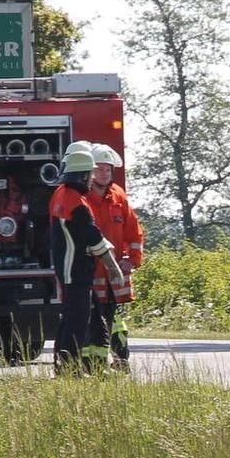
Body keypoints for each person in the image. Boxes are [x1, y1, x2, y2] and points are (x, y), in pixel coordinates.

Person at [48, 147, 125, 374]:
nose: (92, 178)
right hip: (77, 270)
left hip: (68, 268)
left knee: (70, 317)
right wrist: (112, 266)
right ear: (82, 175)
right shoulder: (77, 202)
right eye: (90, 174)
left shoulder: (61, 193)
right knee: (78, 320)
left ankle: (63, 366)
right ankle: (71, 368)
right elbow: (91, 236)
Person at [86, 144, 144, 368]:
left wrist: (132, 260)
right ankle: (93, 364)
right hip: (93, 271)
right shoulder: (82, 197)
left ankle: (121, 359)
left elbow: (134, 231)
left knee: (116, 320)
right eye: (99, 168)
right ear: (90, 171)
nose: (104, 173)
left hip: (116, 273)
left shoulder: (118, 195)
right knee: (94, 320)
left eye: (108, 169)